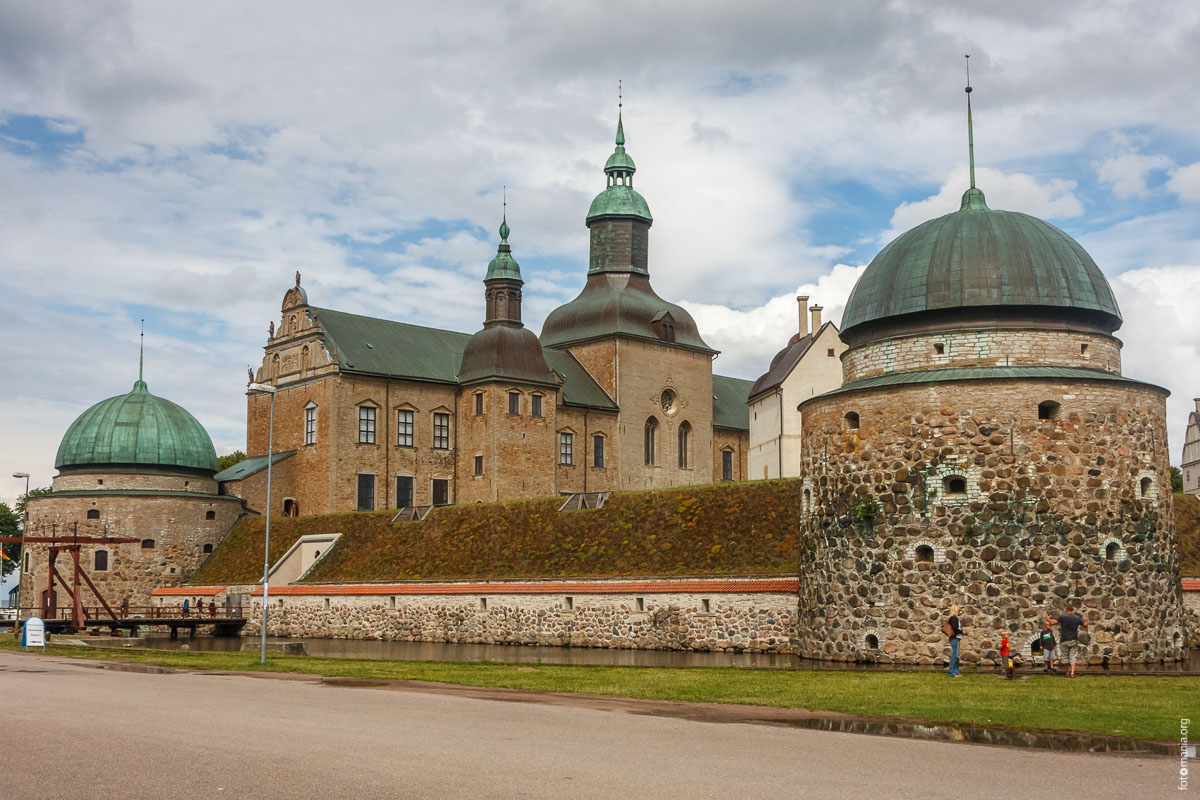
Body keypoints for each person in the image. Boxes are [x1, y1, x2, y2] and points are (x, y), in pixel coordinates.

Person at [1045, 604, 1087, 678]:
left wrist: (1047, 618)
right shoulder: (1077, 618)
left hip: (1064, 640)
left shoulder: (1063, 616)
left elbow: (1052, 623)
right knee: (1073, 657)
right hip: (1074, 639)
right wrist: (1086, 620)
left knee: (1065, 657)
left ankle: (1067, 673)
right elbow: (1085, 625)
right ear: (1072, 610)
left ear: (1066, 609)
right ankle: (1072, 673)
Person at [946, 605, 965, 677]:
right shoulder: (954, 618)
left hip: (956, 638)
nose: (960, 611)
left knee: (957, 656)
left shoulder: (953, 618)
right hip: (955, 638)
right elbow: (955, 629)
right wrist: (962, 632)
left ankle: (956, 671)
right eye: (959, 610)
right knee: (955, 656)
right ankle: (952, 672)